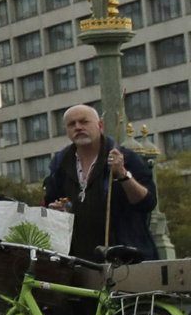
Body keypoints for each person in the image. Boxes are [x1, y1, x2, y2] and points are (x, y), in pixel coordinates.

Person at [43, 105, 161, 263]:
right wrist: (57, 210)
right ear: (67, 131)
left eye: (84, 122)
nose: (78, 127)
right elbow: (50, 206)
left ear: (100, 126)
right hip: (78, 261)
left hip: (124, 259)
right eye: (72, 124)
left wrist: (123, 174)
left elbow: (147, 202)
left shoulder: (126, 158)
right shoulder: (60, 165)